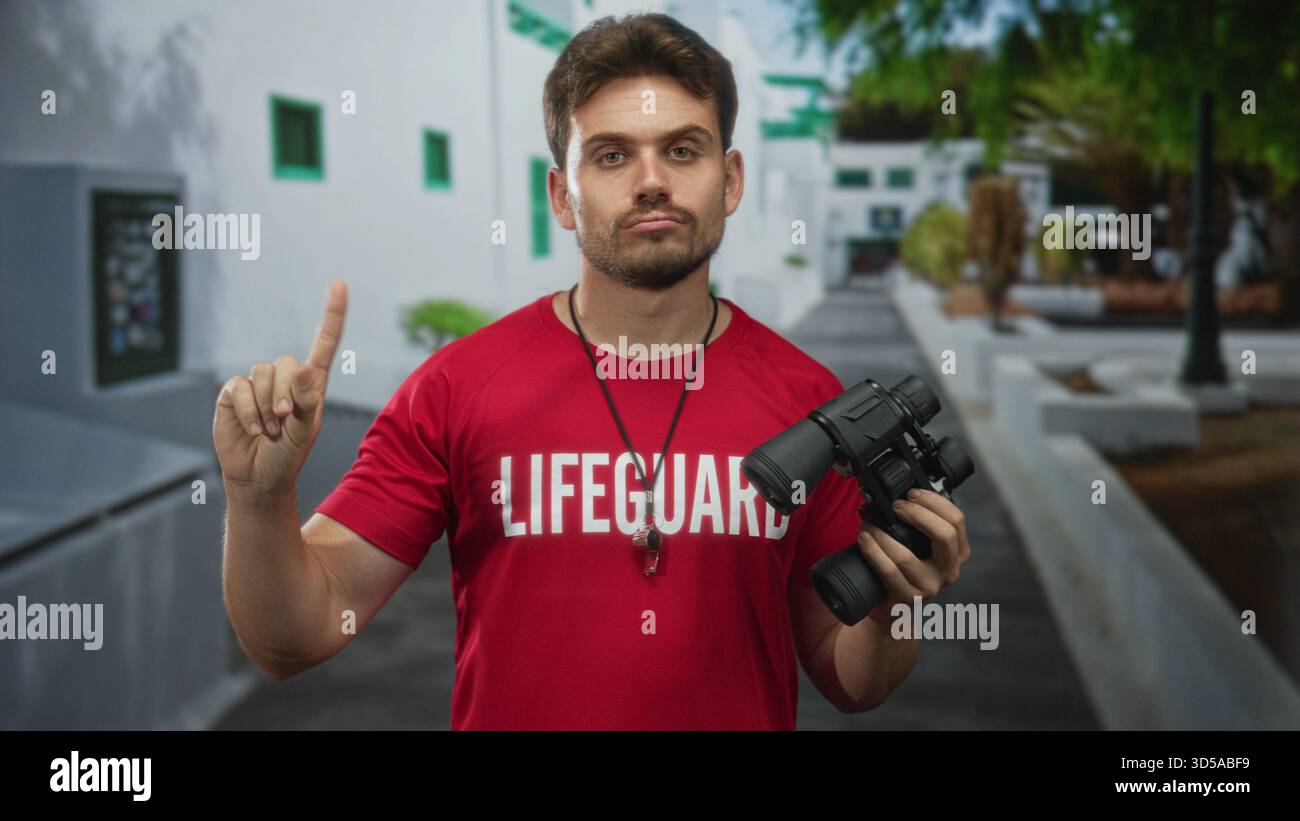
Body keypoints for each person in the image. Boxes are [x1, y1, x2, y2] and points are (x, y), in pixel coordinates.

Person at [216, 12, 971, 730]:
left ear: (730, 179)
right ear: (561, 196)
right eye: (612, 155)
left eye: (683, 150)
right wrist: (257, 498)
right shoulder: (456, 388)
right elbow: (297, 634)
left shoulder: (807, 398)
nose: (651, 181)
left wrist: (892, 604)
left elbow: (849, 679)